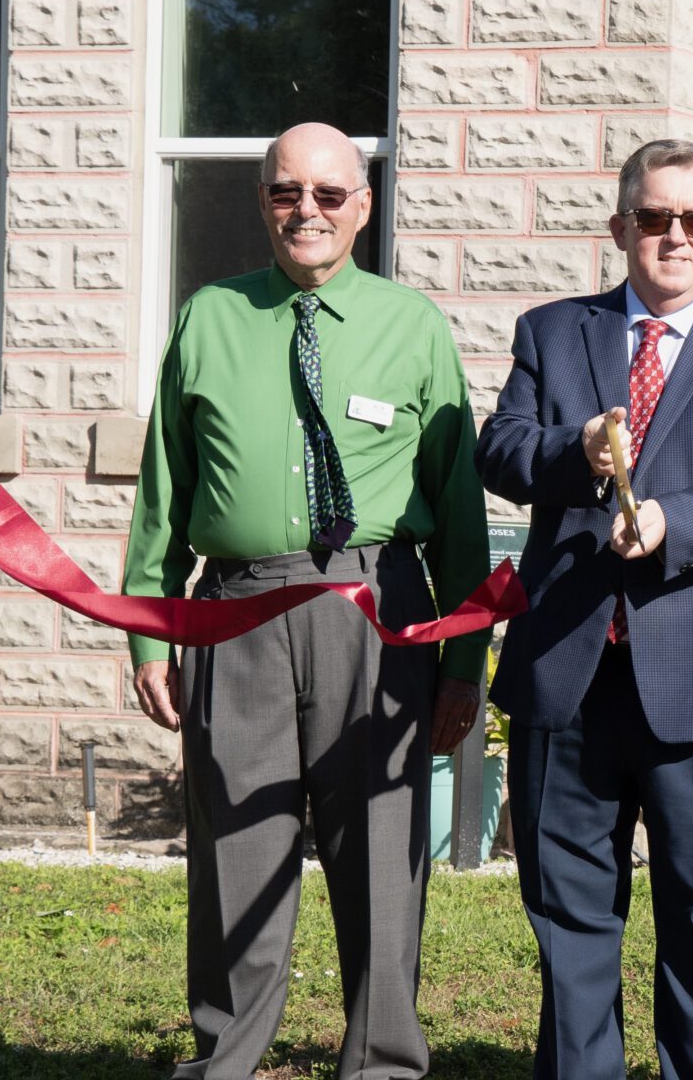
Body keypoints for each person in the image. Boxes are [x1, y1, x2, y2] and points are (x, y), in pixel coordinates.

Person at [122, 122, 489, 1080]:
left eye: (329, 194)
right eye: (287, 192)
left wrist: (462, 665)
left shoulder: (412, 326)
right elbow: (164, 488)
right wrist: (150, 636)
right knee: (236, 852)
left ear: (362, 207)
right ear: (263, 202)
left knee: (381, 855)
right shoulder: (210, 317)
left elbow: (456, 514)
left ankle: (381, 1065)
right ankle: (228, 1060)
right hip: (236, 612)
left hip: (376, 611)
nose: (307, 211)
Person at [475, 139, 693, 1080]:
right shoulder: (554, 331)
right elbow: (500, 450)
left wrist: (679, 518)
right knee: (570, 925)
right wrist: (573, 450)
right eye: (656, 217)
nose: (676, 236)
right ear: (621, 225)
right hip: (570, 677)